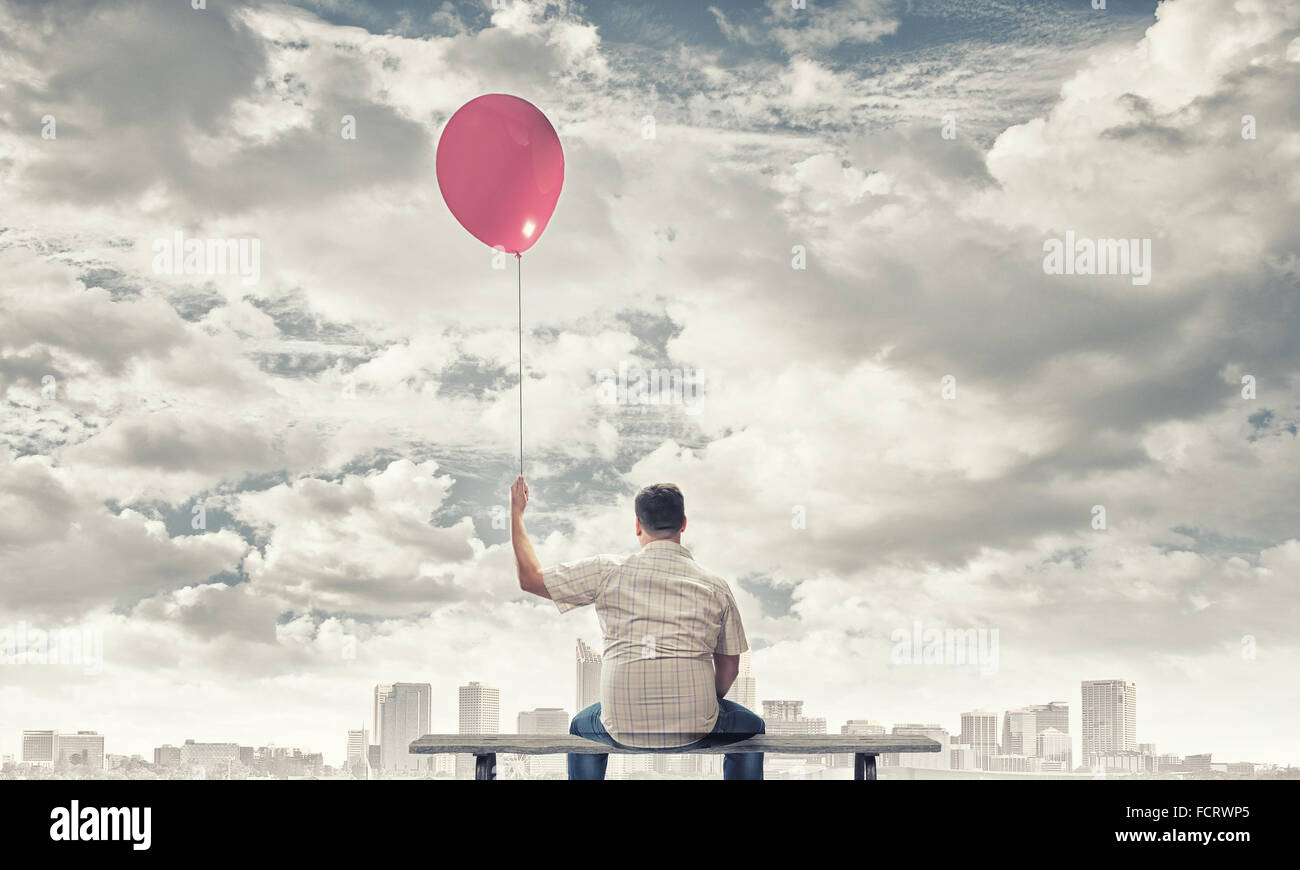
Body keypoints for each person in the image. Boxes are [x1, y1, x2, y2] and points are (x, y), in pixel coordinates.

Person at [509, 477, 765, 780]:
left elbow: (530, 579)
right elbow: (729, 668)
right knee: (753, 729)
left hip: (620, 725)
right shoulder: (715, 586)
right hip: (696, 725)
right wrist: (706, 704)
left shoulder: (607, 571)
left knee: (580, 727)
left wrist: (517, 512)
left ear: (637, 525)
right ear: (683, 524)